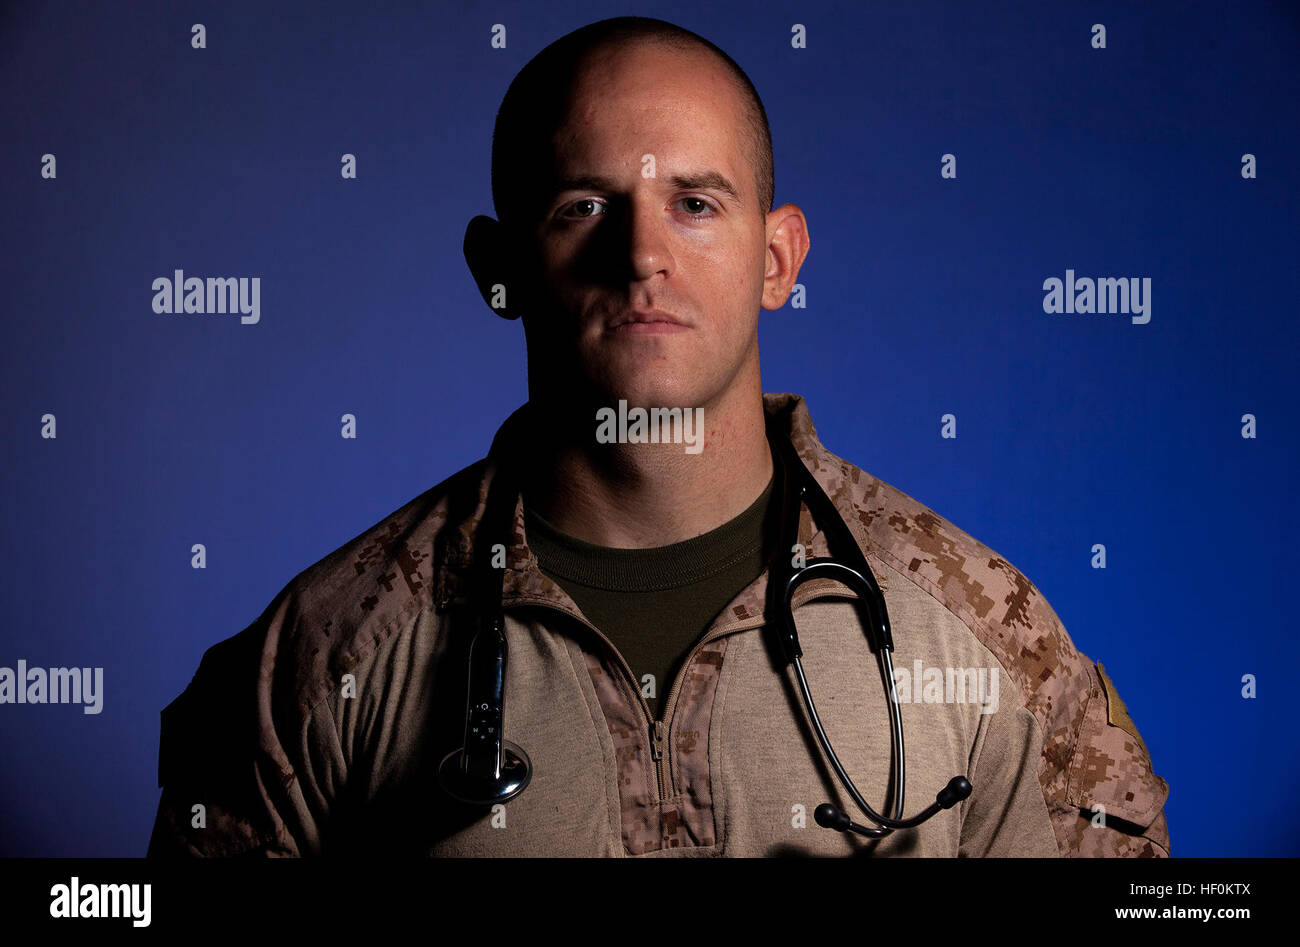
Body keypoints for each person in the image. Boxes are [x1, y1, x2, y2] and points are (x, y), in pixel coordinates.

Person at [147, 16, 1170, 857]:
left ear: (777, 258)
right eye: (583, 204)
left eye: (693, 203)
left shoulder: (988, 644)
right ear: (497, 267)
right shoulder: (326, 660)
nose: (641, 254)